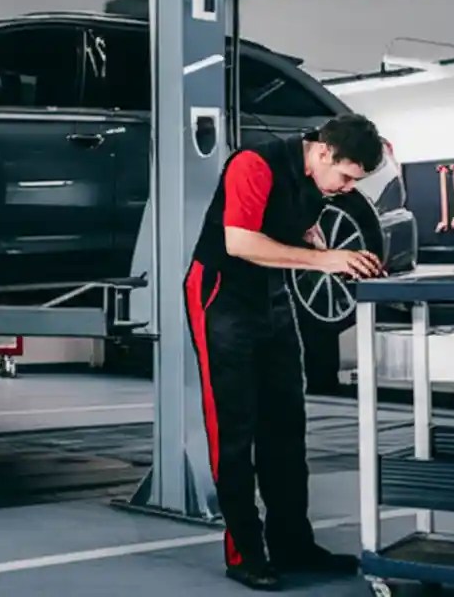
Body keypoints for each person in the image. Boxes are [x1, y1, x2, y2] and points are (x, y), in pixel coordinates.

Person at [184, 114, 387, 590]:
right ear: (321, 153)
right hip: (221, 297)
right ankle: (245, 553)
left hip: (272, 299)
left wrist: (319, 244)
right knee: (234, 429)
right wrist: (325, 259)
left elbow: (292, 225)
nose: (347, 188)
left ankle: (293, 545)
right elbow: (240, 241)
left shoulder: (321, 181)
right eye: (346, 176)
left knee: (286, 427)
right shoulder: (254, 164)